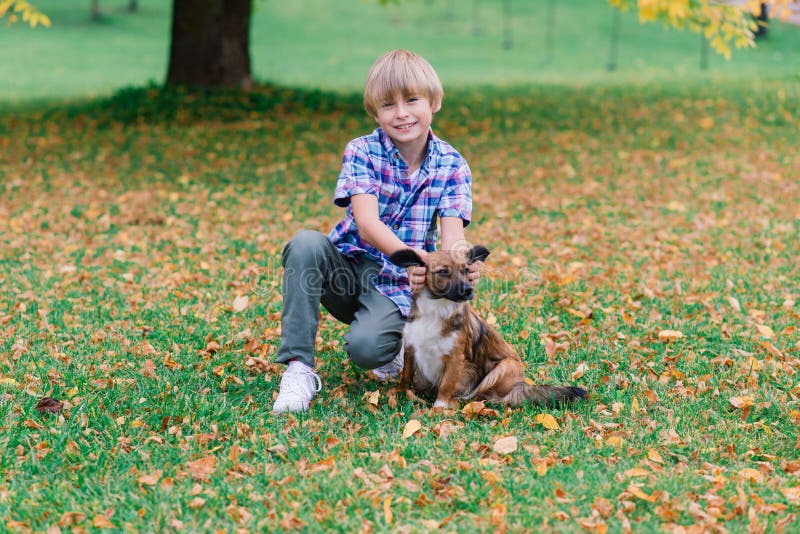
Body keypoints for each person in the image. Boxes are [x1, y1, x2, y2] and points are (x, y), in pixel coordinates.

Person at [272, 49, 480, 413]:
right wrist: (416, 259)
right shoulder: (362, 151)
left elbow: (452, 239)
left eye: (412, 100)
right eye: (388, 105)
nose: (401, 113)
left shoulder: (452, 164)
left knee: (367, 349)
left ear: (435, 102)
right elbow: (367, 225)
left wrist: (460, 263)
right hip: (348, 268)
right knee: (305, 243)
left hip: (398, 284)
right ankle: (298, 369)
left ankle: (393, 343)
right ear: (375, 112)